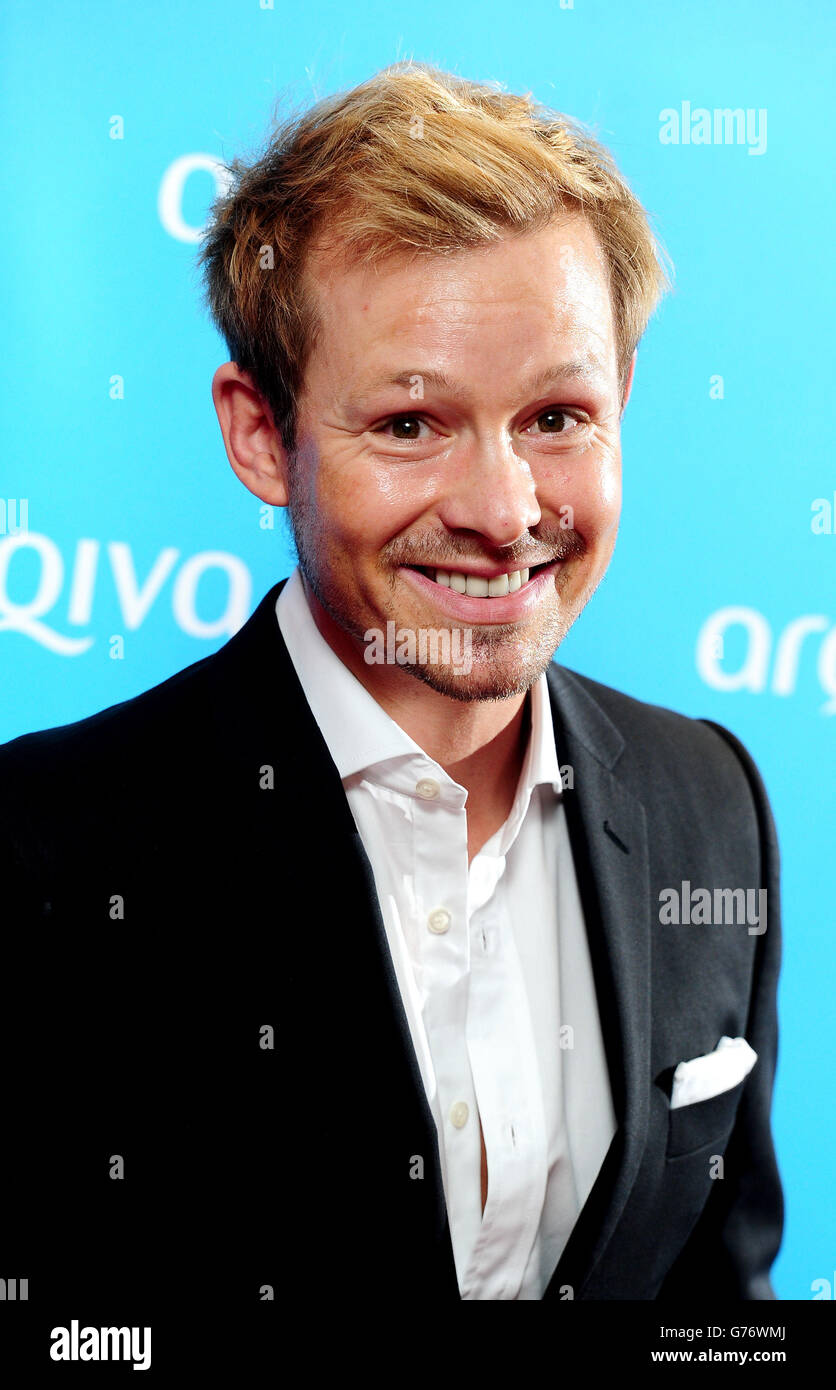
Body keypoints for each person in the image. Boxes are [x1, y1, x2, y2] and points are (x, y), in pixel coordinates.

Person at [0, 61, 782, 1308]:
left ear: (622, 405)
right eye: (411, 425)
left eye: (556, 417)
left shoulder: (711, 801)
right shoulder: (43, 847)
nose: (501, 511)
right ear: (263, 434)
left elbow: (714, 1293)